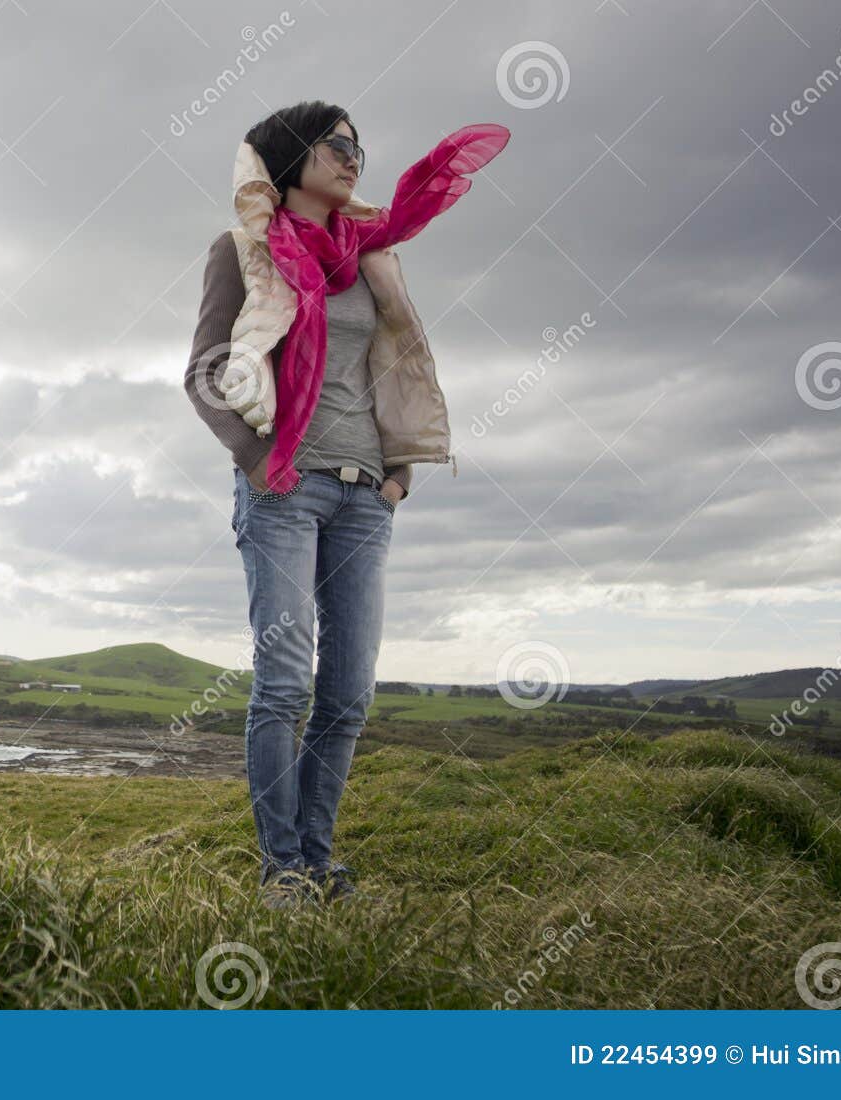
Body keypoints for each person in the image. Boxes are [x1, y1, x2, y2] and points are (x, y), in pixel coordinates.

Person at [184, 100, 510, 908]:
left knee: (348, 693)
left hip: (368, 497)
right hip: (286, 492)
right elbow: (204, 370)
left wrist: (402, 478)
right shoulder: (243, 252)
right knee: (286, 682)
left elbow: (395, 365)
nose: (354, 157)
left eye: (360, 146)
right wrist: (259, 462)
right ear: (293, 158)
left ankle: (320, 861)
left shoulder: (373, 253)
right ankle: (282, 868)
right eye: (336, 145)